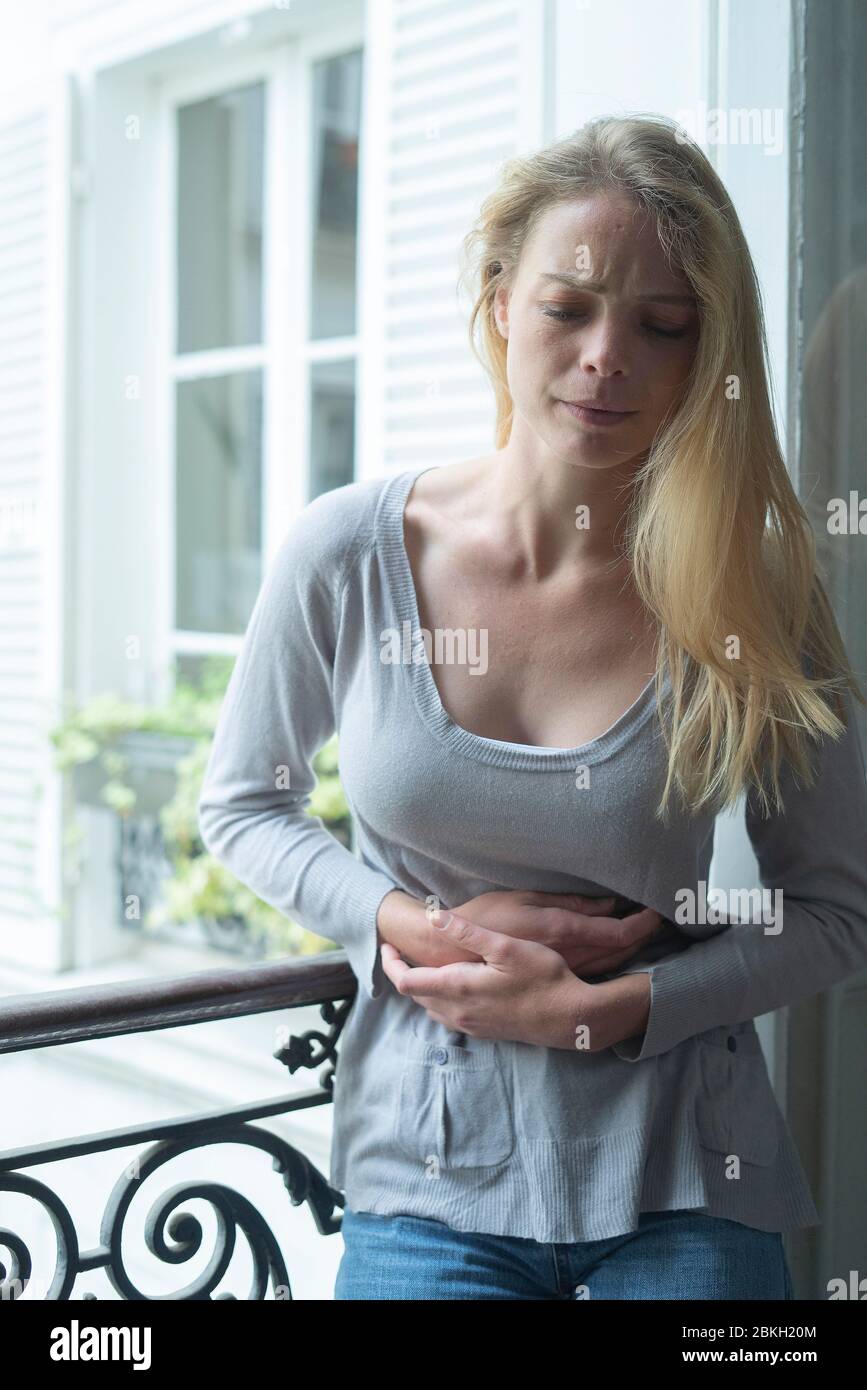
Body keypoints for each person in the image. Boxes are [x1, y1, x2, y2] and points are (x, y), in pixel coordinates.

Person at [197, 114, 867, 1300]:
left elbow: (835, 911)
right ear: (501, 302)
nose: (609, 355)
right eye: (571, 307)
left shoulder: (753, 584)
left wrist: (621, 1008)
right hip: (429, 1165)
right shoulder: (349, 550)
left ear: (702, 352)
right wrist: (411, 921)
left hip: (687, 1171)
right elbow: (246, 805)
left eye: (662, 326)